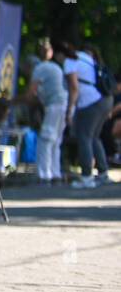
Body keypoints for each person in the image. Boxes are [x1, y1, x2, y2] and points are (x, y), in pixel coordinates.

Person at [63, 42, 113, 189]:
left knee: (84, 137)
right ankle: (103, 173)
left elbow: (74, 88)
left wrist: (70, 110)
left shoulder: (70, 60)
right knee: (94, 137)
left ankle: (86, 176)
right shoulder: (88, 58)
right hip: (104, 100)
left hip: (90, 102)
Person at [25, 38, 67, 183]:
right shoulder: (56, 67)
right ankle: (55, 173)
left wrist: (13, 101)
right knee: (56, 140)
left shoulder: (39, 69)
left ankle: (44, 174)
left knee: (45, 138)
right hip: (63, 104)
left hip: (54, 105)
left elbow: (31, 93)